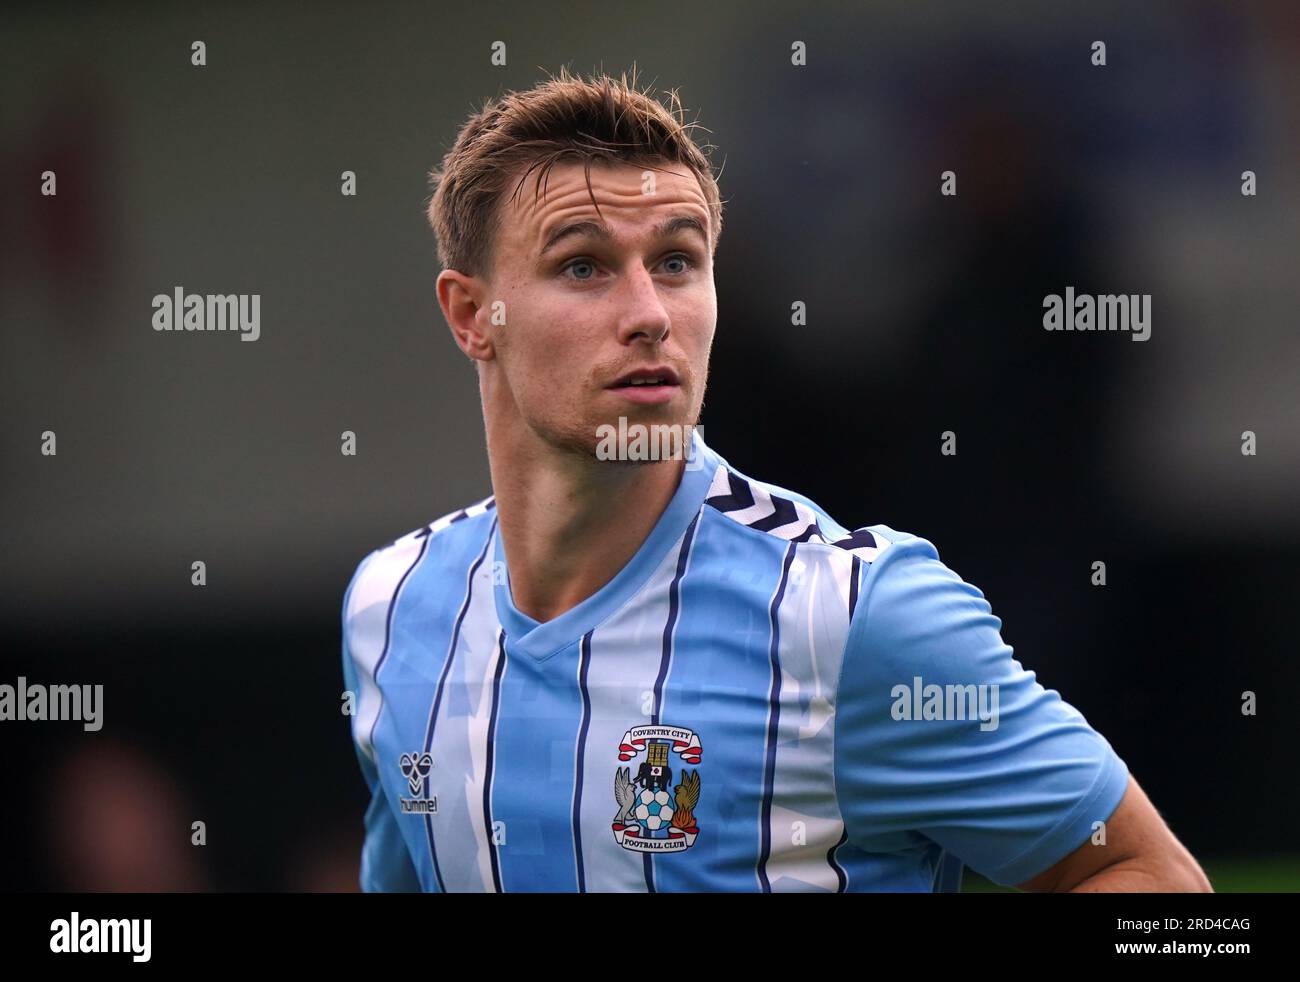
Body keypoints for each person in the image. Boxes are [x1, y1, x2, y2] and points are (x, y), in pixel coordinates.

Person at [341, 68, 1210, 893]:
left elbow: (1155, 886)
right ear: (471, 315)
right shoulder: (391, 607)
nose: (649, 314)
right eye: (583, 266)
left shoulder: (851, 614)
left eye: (678, 261)